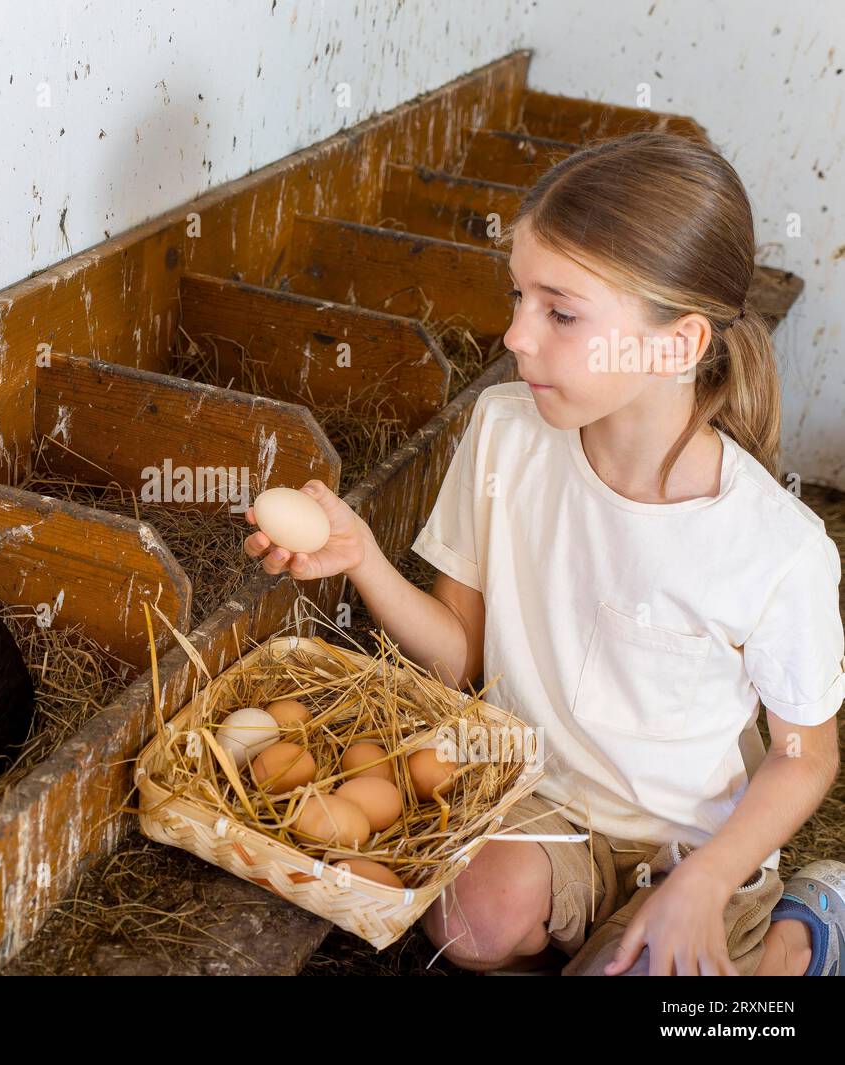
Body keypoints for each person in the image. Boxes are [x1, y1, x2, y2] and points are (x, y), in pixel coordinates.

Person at [242, 131, 844, 976]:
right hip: (541, 801)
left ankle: (800, 939)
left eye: (560, 312)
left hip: (691, 849)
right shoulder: (505, 434)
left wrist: (705, 882)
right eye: (519, 295)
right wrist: (361, 556)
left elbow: (805, 755)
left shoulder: (779, 549)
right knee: (466, 925)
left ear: (675, 346)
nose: (516, 335)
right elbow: (462, 655)